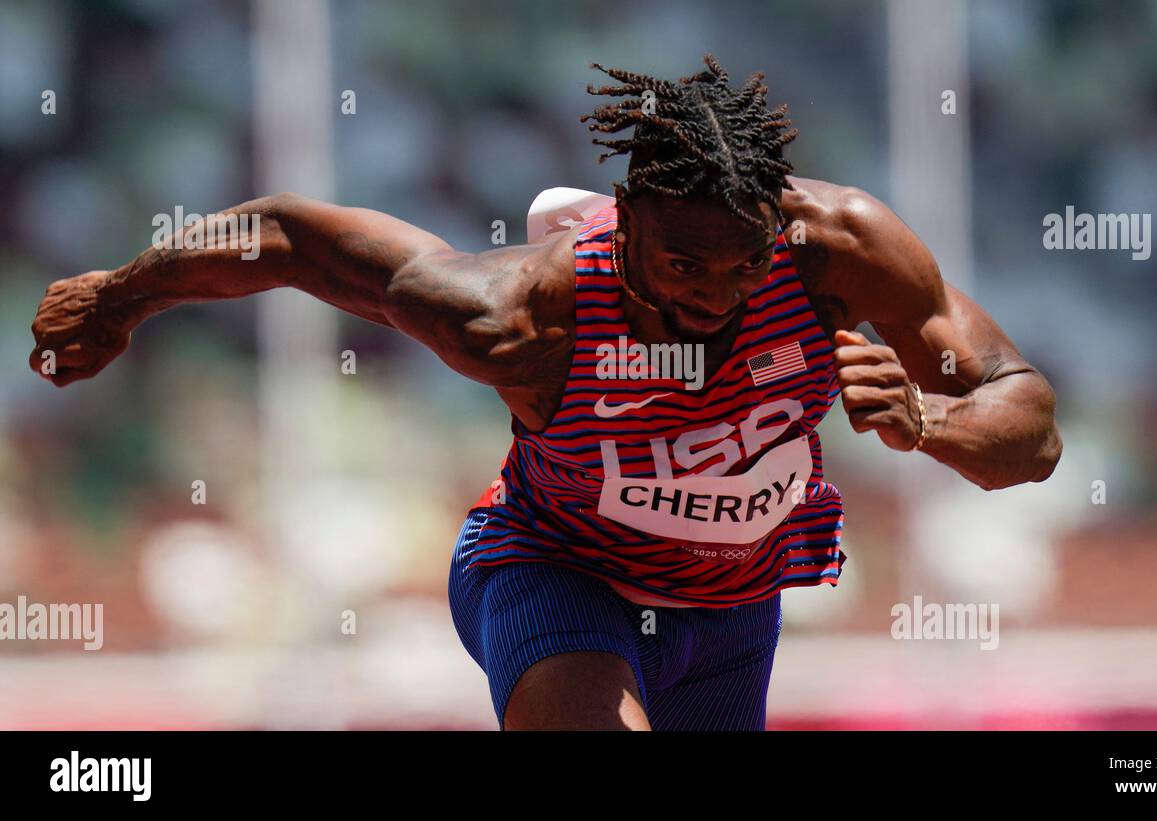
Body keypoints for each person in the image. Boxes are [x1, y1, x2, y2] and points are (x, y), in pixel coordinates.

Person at [28, 55, 1061, 730]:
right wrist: (122, 295)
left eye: (736, 265)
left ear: (772, 230)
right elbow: (295, 238)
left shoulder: (841, 251)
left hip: (734, 609)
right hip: (555, 572)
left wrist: (929, 420)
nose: (709, 294)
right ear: (625, 216)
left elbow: (1032, 432)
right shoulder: (522, 314)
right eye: (677, 263)